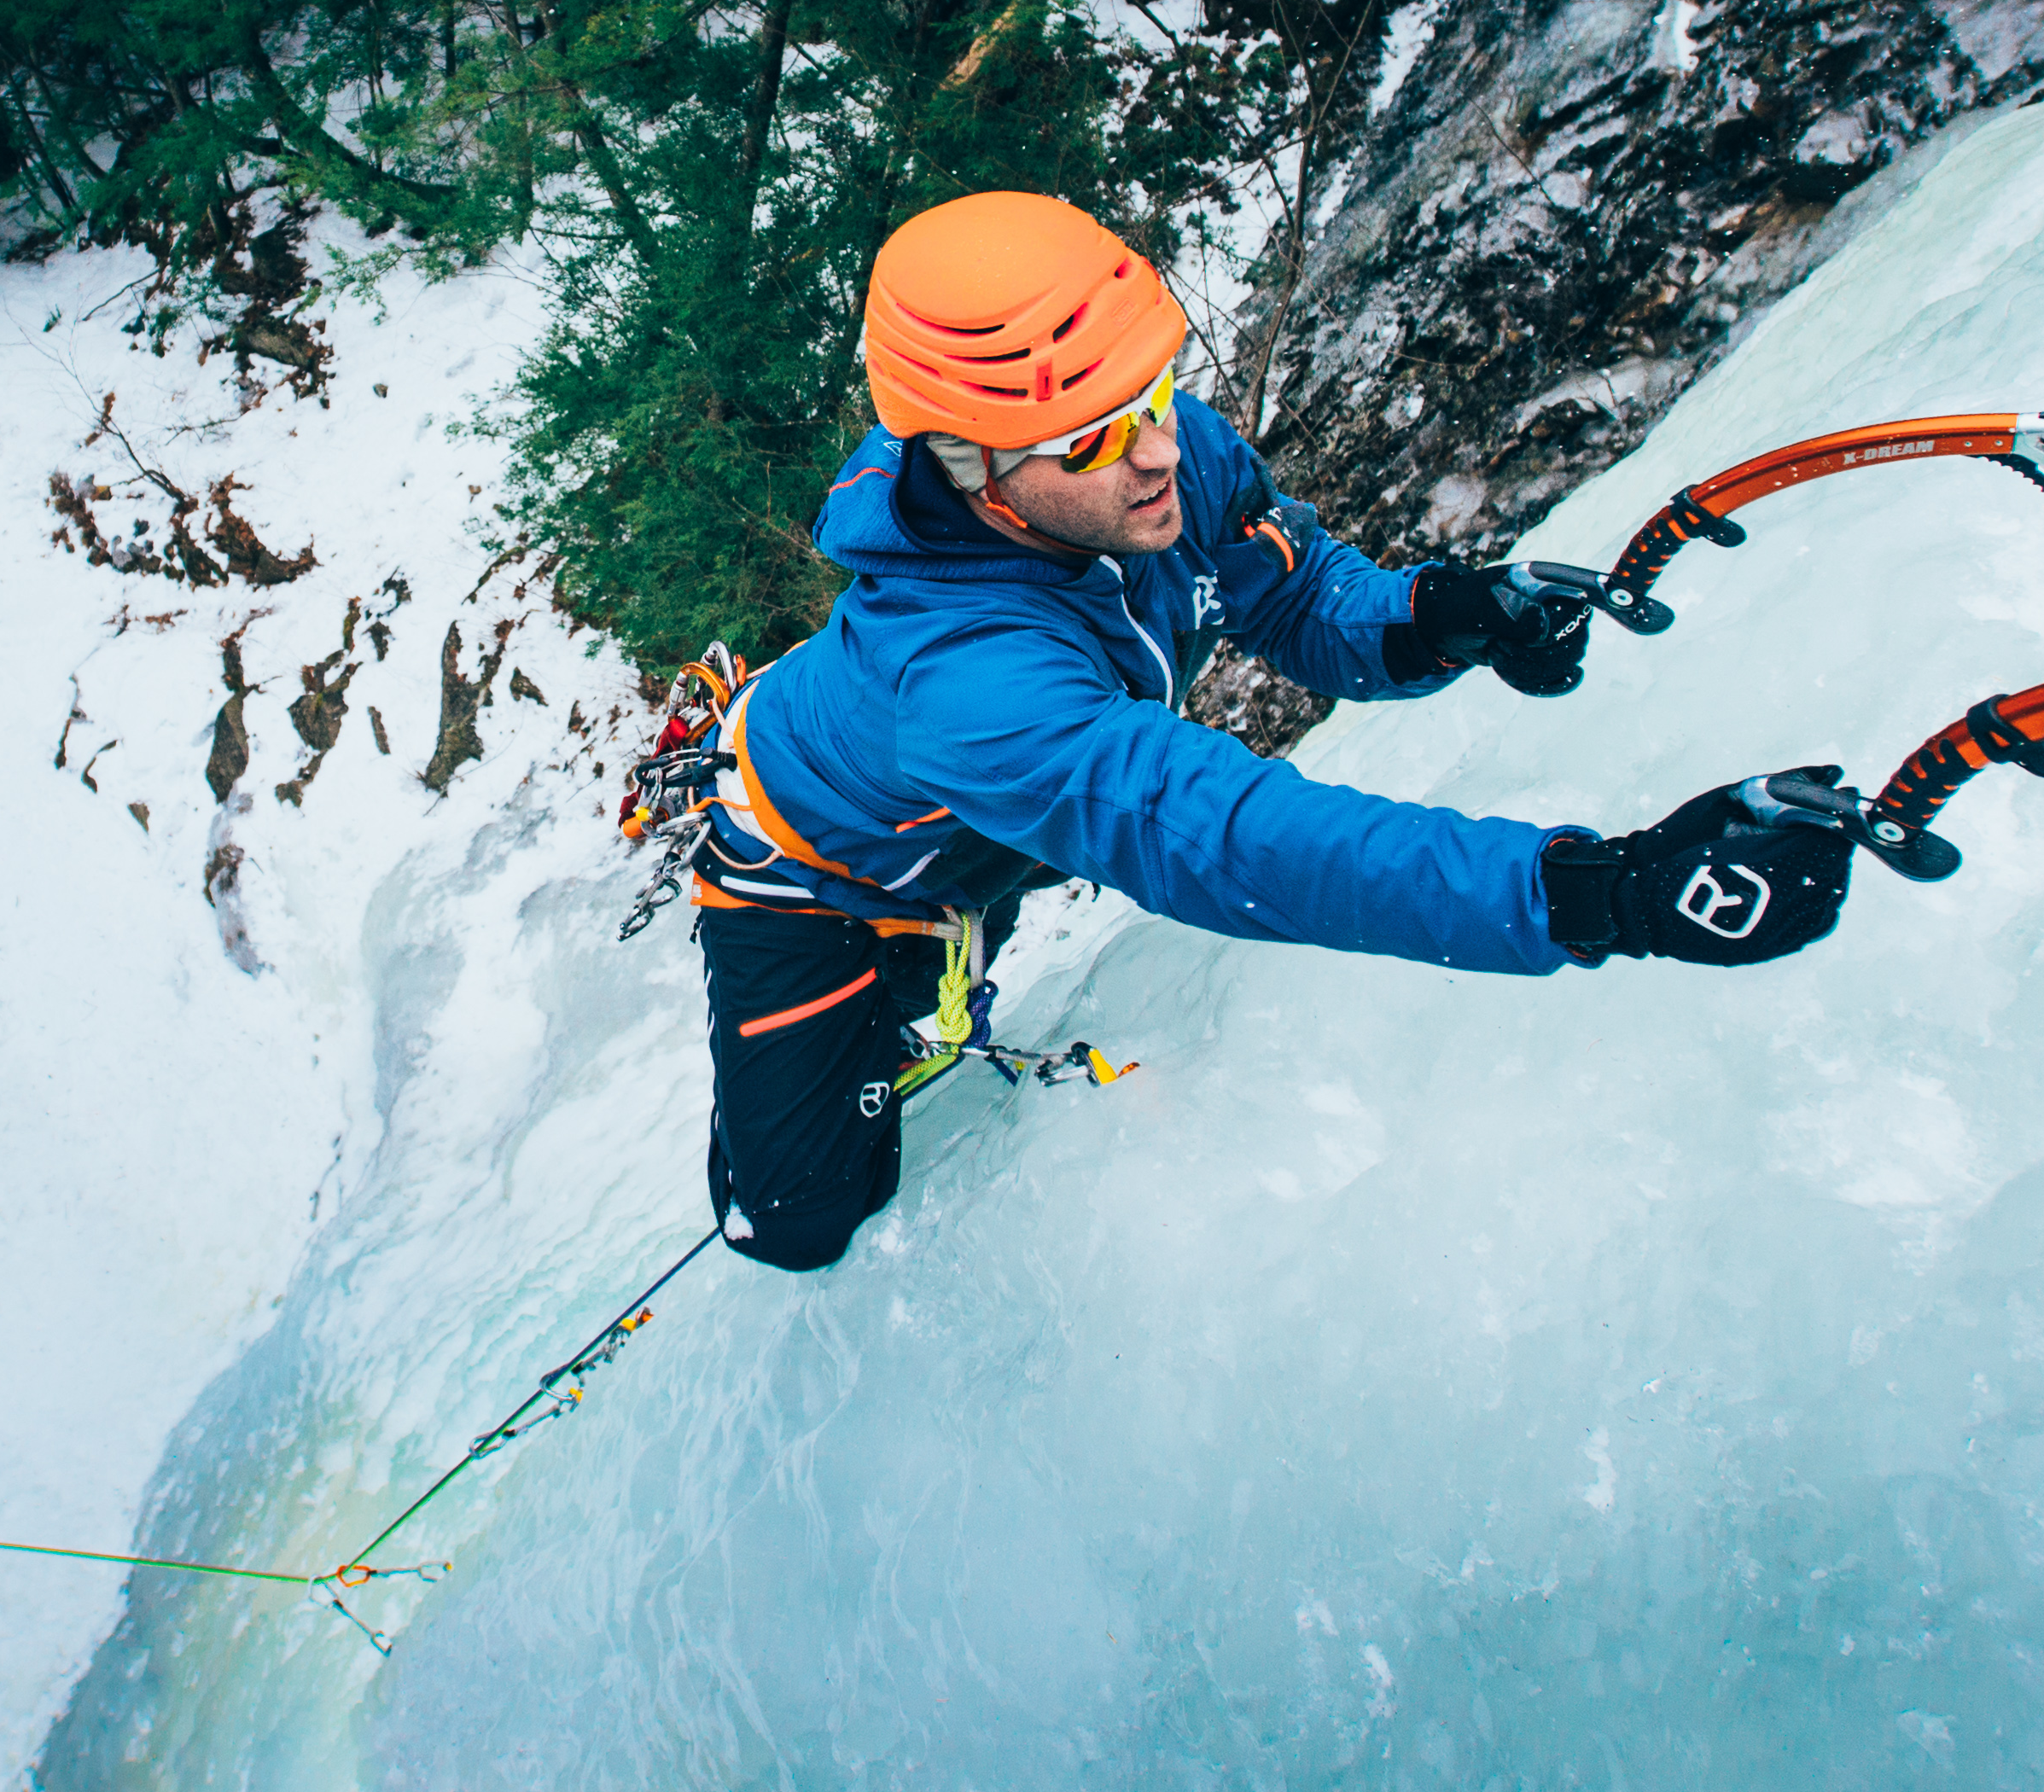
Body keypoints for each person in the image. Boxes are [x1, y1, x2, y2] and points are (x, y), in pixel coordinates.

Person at [678, 190, 1855, 1271]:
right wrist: (1594, 893)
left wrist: (1445, 616)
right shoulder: (961, 687)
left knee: (1014, 845)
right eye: (1093, 435)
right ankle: (890, 985)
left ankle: (929, 961)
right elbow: (1228, 838)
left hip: (991, 806)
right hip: (811, 868)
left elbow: (1290, 594)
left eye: (1147, 395)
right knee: (798, 1221)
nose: (1155, 450)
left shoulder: (1157, 457)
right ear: (971, 465)